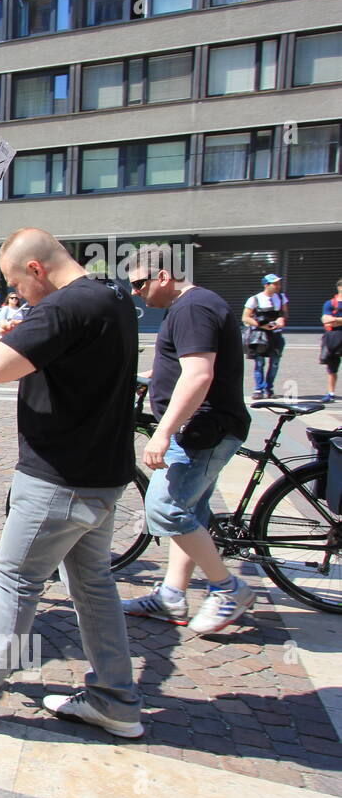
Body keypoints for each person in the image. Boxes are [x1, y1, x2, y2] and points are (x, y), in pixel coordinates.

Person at [0, 227, 143, 739]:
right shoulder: (113, 297)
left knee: (14, 581)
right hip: (103, 478)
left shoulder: (64, 308)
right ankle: (115, 699)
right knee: (94, 586)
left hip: (60, 479)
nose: (18, 297)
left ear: (36, 269)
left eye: (18, 284)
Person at [124, 246, 255, 634]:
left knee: (164, 509)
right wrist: (152, 377)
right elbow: (184, 365)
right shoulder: (192, 305)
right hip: (201, 428)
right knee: (189, 512)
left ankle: (229, 589)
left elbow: (199, 375)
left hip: (200, 430)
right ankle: (171, 596)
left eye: (138, 283)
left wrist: (162, 434)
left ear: (162, 276)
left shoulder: (192, 308)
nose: (135, 292)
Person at [242, 273, 288, 400]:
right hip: (260, 335)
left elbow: (284, 313)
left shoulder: (281, 297)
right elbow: (245, 317)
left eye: (278, 283)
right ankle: (258, 389)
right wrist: (261, 325)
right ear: (266, 285)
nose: (278, 286)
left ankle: (269, 388)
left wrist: (281, 319)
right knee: (259, 363)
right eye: (275, 283)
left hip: (276, 335)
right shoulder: (255, 299)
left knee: (274, 363)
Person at [319, 279, 342, 402]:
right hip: (333, 338)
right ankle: (331, 393)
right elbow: (325, 319)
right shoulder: (330, 303)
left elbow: (331, 320)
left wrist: (335, 320)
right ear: (339, 288)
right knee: (332, 368)